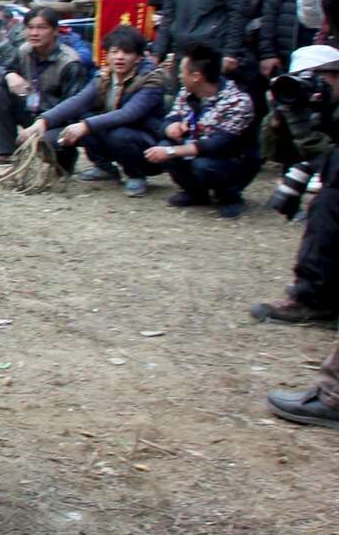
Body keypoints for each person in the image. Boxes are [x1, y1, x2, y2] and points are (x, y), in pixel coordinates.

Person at [251, 44, 339, 326]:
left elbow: (330, 164)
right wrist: (282, 116)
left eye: (315, 79)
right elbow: (272, 154)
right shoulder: (315, 110)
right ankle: (316, 297)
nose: (309, 89)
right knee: (327, 202)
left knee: (327, 203)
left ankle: (315, 298)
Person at [28, 26, 173, 196]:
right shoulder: (104, 77)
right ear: (108, 55)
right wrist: (43, 121)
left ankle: (136, 175)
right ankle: (104, 167)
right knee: (76, 122)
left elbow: (128, 114)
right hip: (114, 133)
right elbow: (78, 101)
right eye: (114, 52)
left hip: (148, 145)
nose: (119, 57)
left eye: (126, 53)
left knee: (116, 133)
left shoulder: (151, 80)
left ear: (138, 58)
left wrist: (86, 126)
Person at [145, 41, 258, 218]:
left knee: (201, 164)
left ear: (196, 76)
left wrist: (171, 150)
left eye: (182, 71)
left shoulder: (238, 101)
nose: (180, 76)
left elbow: (218, 144)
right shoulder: (186, 93)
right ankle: (195, 193)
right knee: (165, 144)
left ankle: (229, 196)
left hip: (232, 160)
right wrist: (171, 127)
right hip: (197, 150)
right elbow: (170, 118)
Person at [0, 7, 89, 165]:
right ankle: (6, 151)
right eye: (30, 27)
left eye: (41, 27)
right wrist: (9, 75)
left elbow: (72, 108)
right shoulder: (24, 50)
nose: (34, 33)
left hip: (56, 120)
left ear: (55, 31)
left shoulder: (70, 62)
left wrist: (44, 121)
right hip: (31, 108)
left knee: (45, 143)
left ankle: (64, 160)